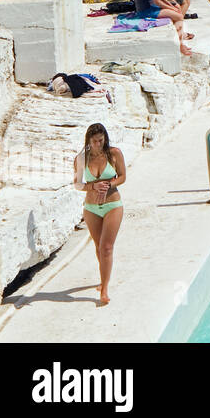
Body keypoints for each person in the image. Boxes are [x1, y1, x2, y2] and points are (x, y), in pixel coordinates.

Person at [73, 122, 127, 306]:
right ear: (88, 140)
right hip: (91, 208)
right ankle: (103, 278)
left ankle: (104, 288)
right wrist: (93, 186)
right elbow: (77, 184)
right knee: (98, 247)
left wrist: (109, 184)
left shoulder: (114, 153)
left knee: (106, 247)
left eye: (101, 141)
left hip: (113, 204)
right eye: (95, 141)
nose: (98, 144)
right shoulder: (81, 159)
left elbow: (122, 176)